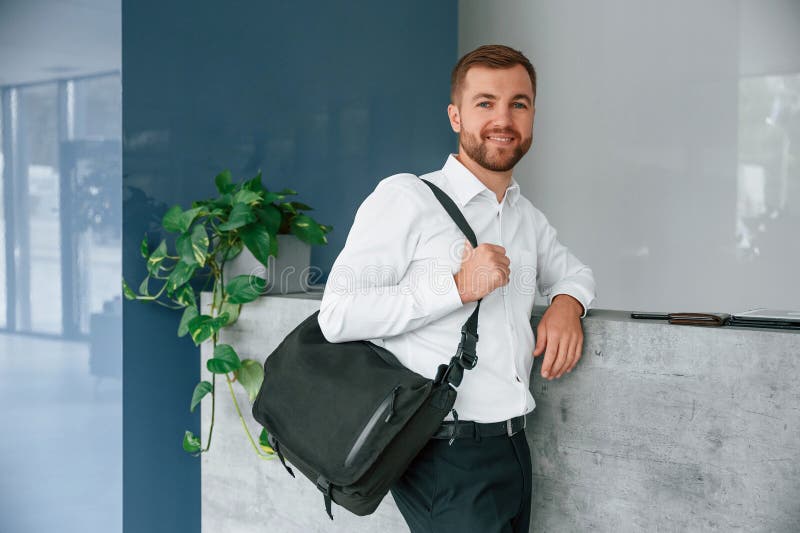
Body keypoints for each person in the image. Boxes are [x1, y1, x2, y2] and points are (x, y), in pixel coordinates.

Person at [317, 44, 596, 533]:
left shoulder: (524, 215)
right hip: (443, 455)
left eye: (519, 104)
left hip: (513, 447)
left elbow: (574, 273)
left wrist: (567, 304)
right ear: (455, 116)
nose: (503, 118)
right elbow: (337, 315)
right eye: (485, 103)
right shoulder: (406, 198)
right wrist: (455, 287)